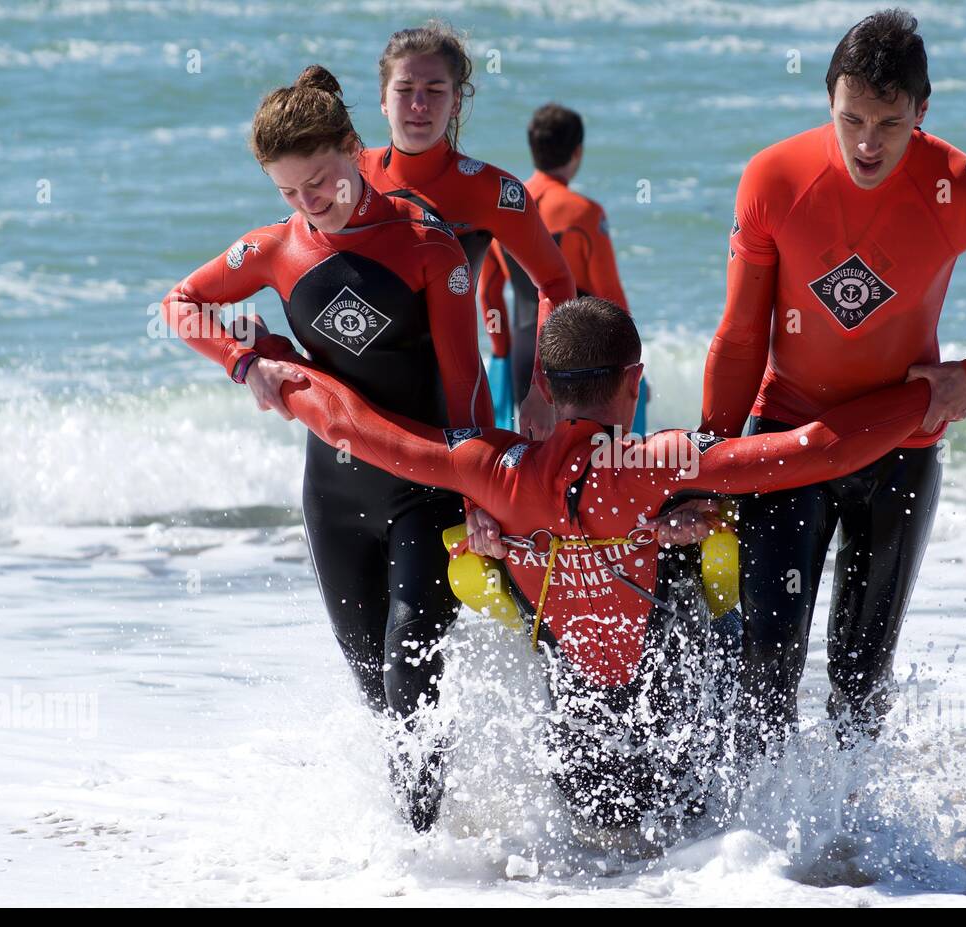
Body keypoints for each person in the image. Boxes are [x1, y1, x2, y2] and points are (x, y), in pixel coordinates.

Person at [248, 297, 939, 853]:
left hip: (577, 775)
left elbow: (359, 429)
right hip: (685, 762)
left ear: (544, 385)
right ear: (634, 383)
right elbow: (816, 450)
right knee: (712, 572)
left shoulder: (491, 471)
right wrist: (930, 396)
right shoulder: (657, 463)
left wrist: (269, 363)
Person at [690, 10, 966, 749]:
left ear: (922, 110)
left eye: (888, 124)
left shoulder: (960, 186)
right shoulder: (773, 178)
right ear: (828, 98)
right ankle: (752, 858)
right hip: (788, 437)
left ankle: (856, 855)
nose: (865, 144)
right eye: (850, 118)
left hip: (899, 450)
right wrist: (710, 463)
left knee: (861, 683)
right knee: (765, 669)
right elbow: (739, 336)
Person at [160, 66, 491, 832]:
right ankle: (416, 844)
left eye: (319, 183)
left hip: (425, 488)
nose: (308, 205)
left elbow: (468, 387)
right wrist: (249, 362)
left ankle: (426, 861)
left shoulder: (428, 248)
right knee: (376, 687)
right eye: (288, 193)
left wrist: (482, 495)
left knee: (413, 666)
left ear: (353, 146)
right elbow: (182, 302)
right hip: (335, 497)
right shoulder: (276, 250)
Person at [358, 22, 577, 439]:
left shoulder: (491, 191)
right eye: (404, 90)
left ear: (456, 101)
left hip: (452, 411)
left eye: (436, 90)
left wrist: (543, 390)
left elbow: (555, 280)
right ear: (383, 100)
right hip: (354, 416)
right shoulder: (348, 176)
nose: (419, 104)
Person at [478, 103, 630, 417]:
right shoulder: (586, 214)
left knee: (534, 455)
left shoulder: (502, 207)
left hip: (523, 353)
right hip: (582, 360)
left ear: (533, 148)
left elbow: (489, 293)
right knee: (588, 459)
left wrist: (501, 356)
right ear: (577, 153)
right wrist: (628, 366)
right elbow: (610, 297)